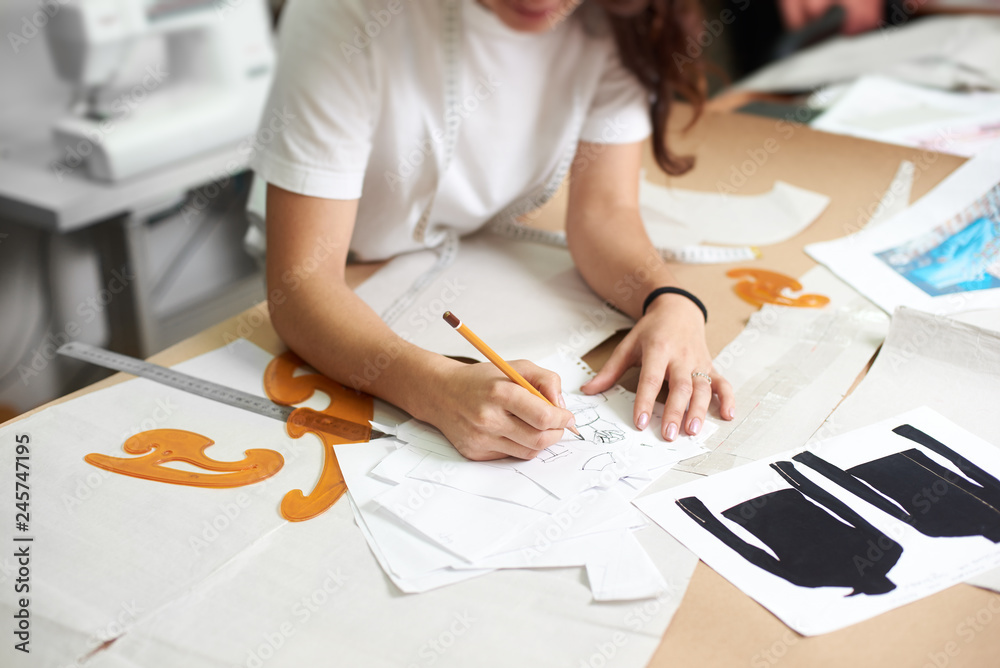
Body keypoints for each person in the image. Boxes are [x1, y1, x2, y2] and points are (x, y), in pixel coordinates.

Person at [251, 0, 735, 461]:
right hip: (348, 281)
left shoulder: (616, 17)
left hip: (470, 251)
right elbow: (302, 287)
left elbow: (603, 213)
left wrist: (669, 300)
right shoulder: (344, 14)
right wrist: (433, 387)